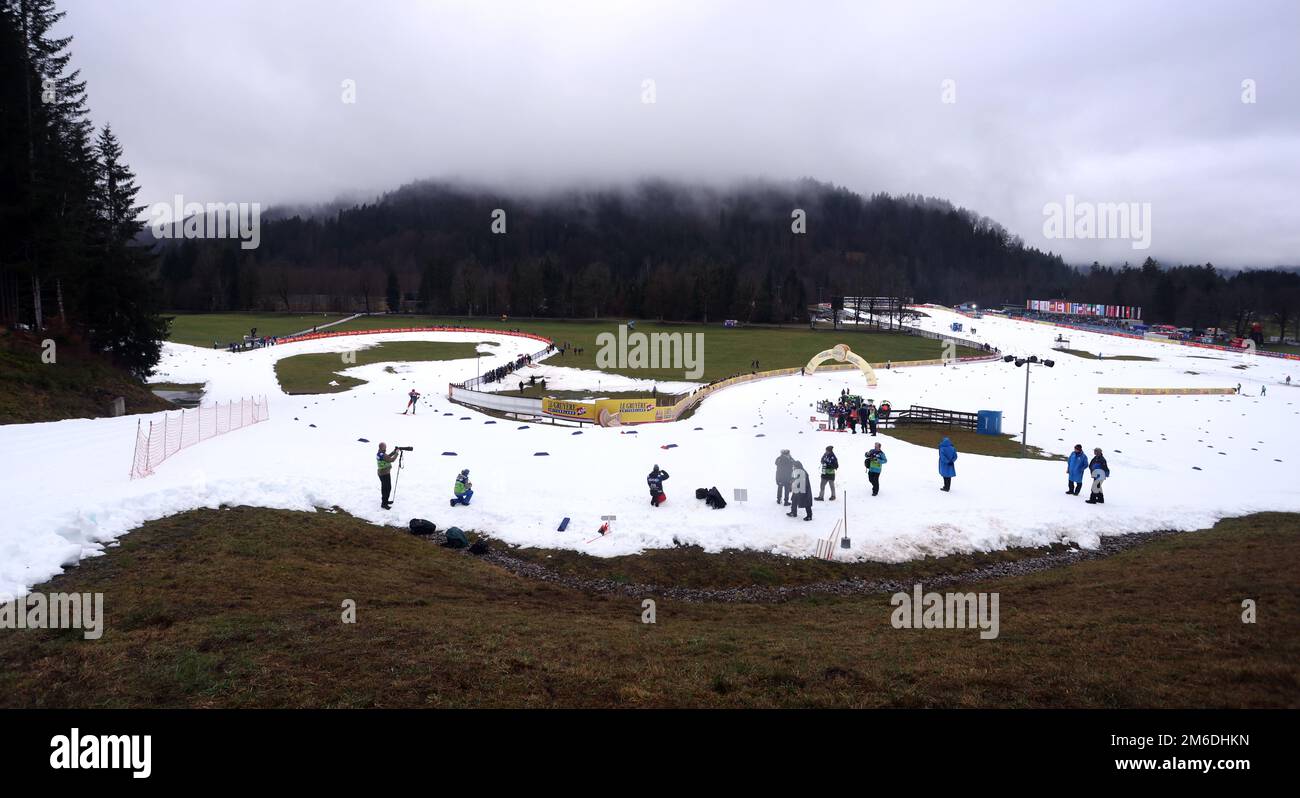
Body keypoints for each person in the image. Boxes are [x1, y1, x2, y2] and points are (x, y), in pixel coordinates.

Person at [376, 443, 399, 509]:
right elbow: (391, 460)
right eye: (385, 446)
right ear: (382, 447)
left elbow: (387, 457)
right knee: (387, 488)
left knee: (385, 488)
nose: (386, 447)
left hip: (382, 473)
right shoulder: (382, 454)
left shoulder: (380, 453)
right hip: (384, 474)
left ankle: (385, 501)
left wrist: (394, 452)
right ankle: (384, 504)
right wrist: (396, 453)